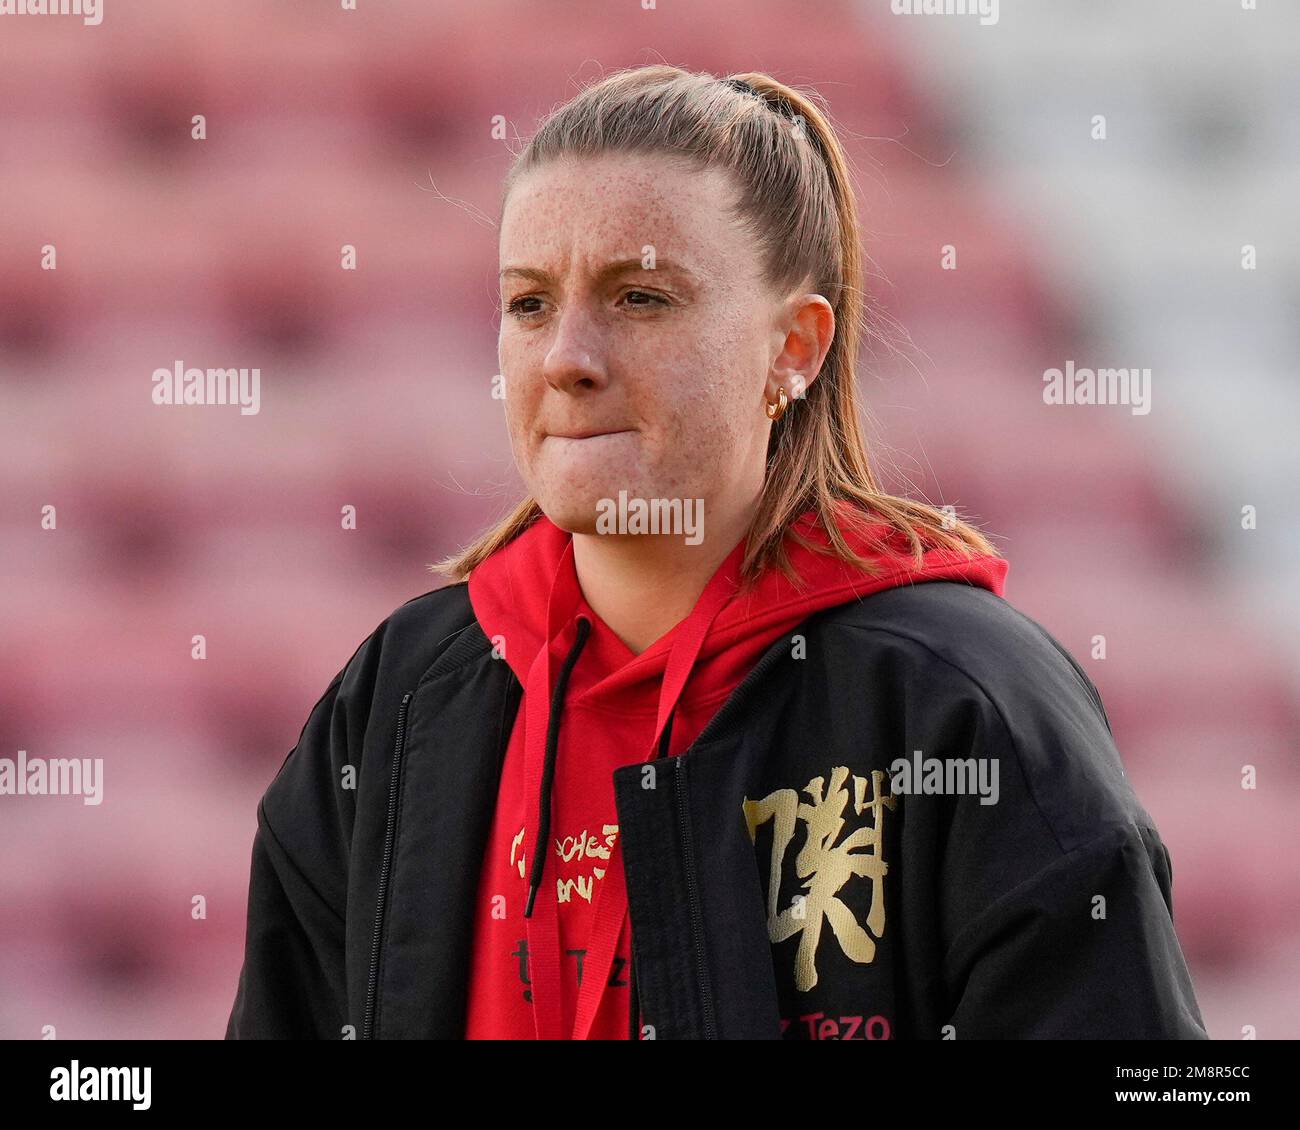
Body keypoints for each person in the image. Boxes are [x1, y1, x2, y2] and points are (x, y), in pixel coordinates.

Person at [225, 65, 1208, 1040]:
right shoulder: (394, 701)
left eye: (640, 297)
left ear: (795, 347)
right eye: (528, 304)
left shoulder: (963, 707)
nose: (567, 355)